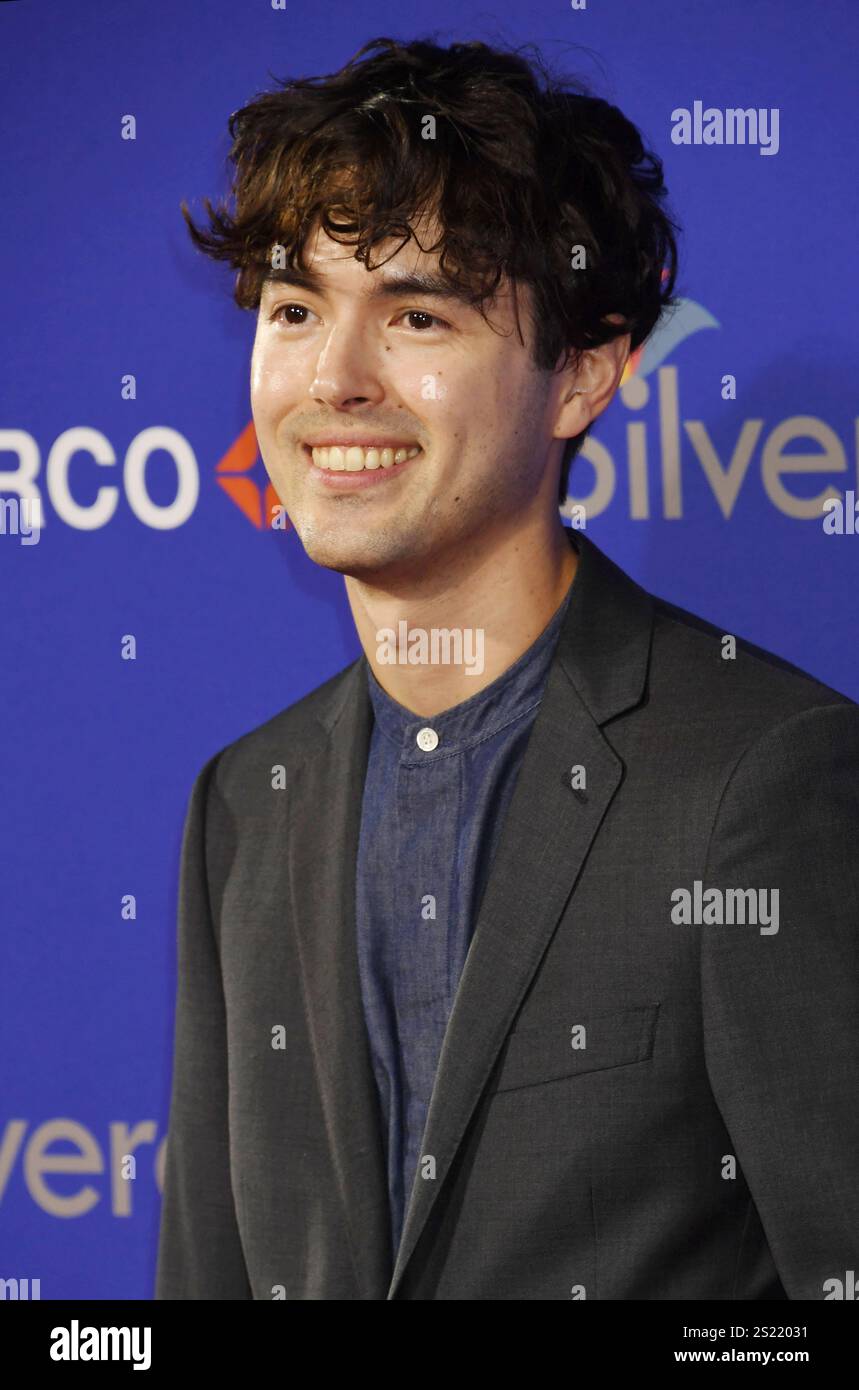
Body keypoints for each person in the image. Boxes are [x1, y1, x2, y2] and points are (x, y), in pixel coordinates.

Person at [155, 36, 859, 1300]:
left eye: (416, 314)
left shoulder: (761, 778)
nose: (334, 379)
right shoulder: (243, 803)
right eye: (295, 309)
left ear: (584, 371)